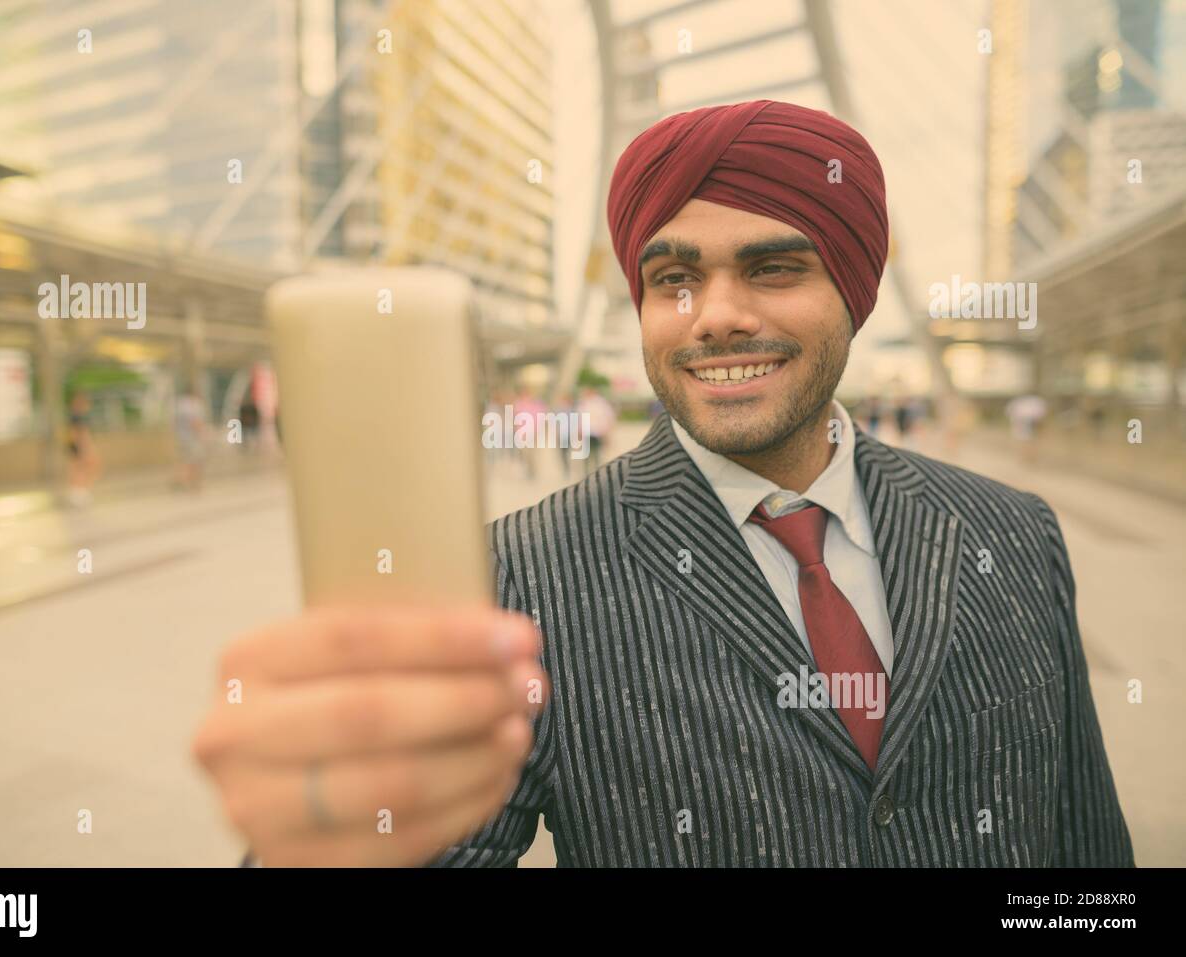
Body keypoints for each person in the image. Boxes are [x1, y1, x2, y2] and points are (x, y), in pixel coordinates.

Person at [193, 99, 1133, 867]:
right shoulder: (525, 574)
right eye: (673, 278)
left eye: (772, 267)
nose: (714, 316)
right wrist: (329, 837)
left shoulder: (1010, 532)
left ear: (856, 287)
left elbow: (1085, 851)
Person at [64, 391, 100, 507]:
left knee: (81, 468)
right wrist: (83, 448)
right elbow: (76, 434)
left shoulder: (77, 416)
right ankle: (78, 492)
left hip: (77, 446)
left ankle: (80, 491)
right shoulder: (77, 417)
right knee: (81, 468)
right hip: (80, 446)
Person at [173, 388, 209, 491]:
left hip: (181, 437)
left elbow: (174, 422)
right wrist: (204, 434)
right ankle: (192, 483)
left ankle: (181, 480)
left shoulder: (179, 405)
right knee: (196, 460)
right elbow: (195, 422)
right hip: (193, 439)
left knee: (185, 460)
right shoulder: (194, 405)